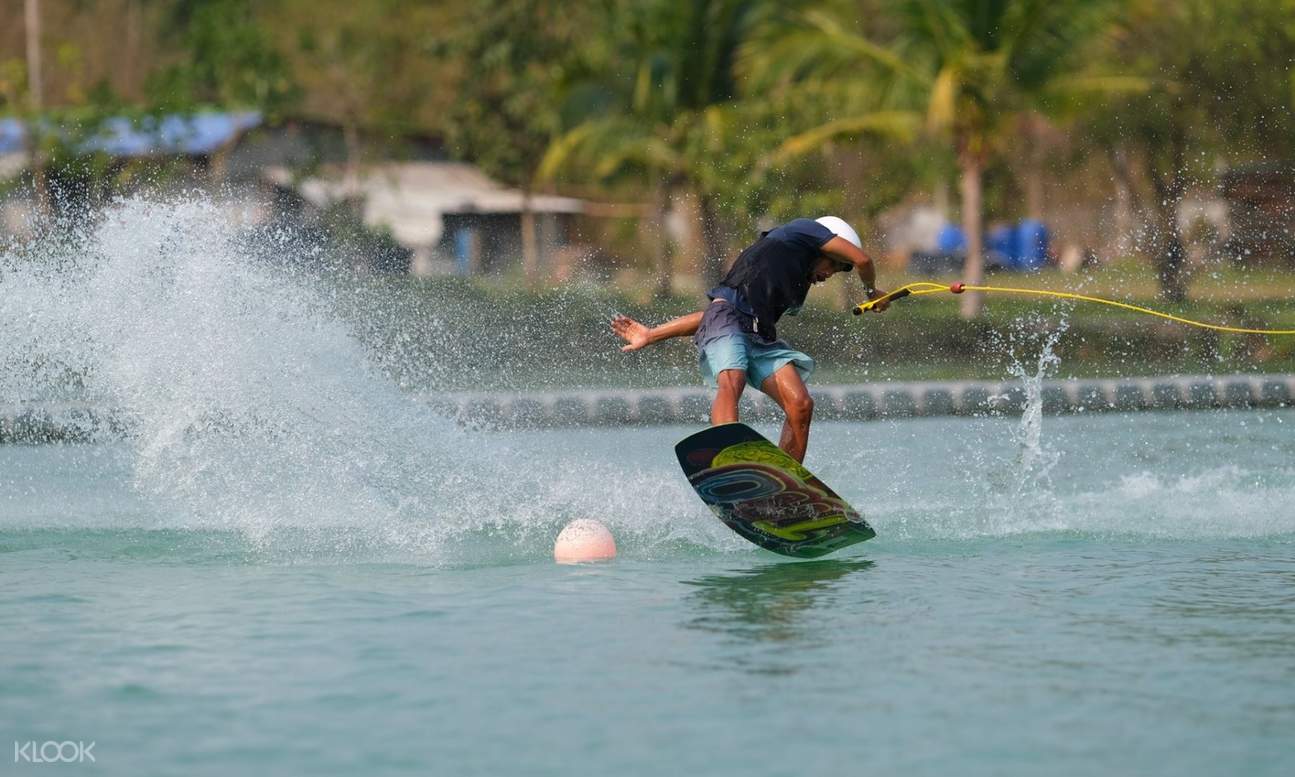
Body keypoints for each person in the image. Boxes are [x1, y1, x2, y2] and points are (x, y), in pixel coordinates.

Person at [612, 216, 889, 463]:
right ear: (825, 244)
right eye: (835, 264)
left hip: (760, 337)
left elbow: (712, 316)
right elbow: (863, 260)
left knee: (801, 404)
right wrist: (870, 291)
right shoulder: (803, 230)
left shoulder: (794, 282)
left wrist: (651, 334)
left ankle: (786, 481)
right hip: (728, 320)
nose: (830, 275)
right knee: (733, 378)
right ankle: (729, 459)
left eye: (840, 271)